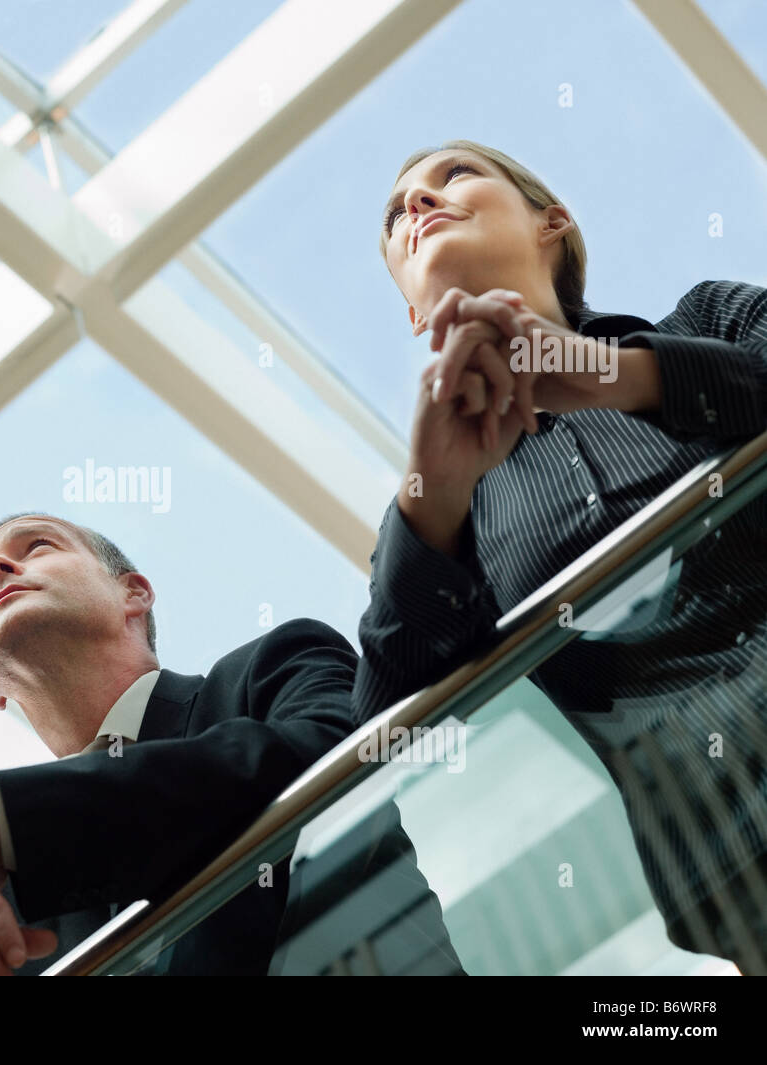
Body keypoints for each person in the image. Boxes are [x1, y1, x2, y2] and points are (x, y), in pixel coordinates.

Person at [355, 138, 767, 971]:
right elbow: (383, 743)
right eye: (398, 214)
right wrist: (430, 494)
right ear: (410, 309)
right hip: (728, 850)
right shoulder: (440, 518)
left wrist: (608, 375)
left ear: (555, 223)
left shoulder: (707, 318)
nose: (417, 208)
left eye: (454, 176)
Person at [0, 512, 462, 975]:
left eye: (35, 546)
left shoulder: (273, 665)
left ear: (133, 594)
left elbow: (337, 759)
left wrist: (5, 819)